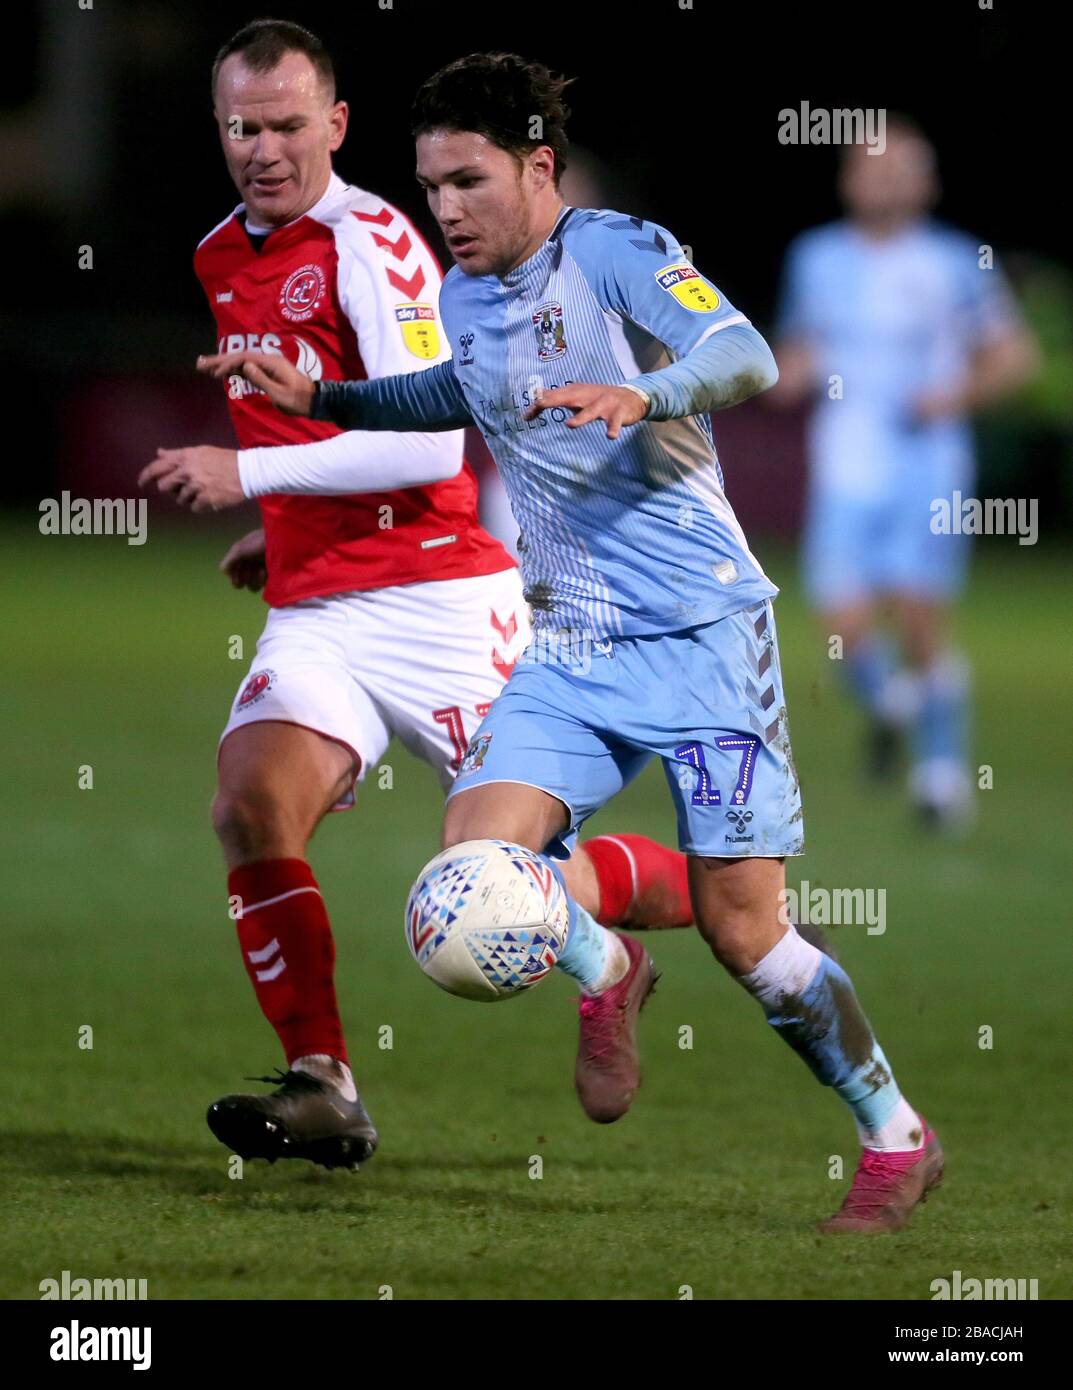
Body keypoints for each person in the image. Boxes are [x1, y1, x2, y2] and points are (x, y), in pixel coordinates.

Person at [202, 52, 944, 1233]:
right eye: (429, 185)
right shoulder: (465, 292)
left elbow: (743, 353)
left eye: (466, 182)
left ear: (535, 168)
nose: (443, 210)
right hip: (569, 647)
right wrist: (319, 400)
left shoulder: (612, 251)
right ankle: (607, 967)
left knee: (746, 932)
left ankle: (894, 1133)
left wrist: (642, 396)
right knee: (471, 865)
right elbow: (454, 394)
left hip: (703, 640)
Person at [139, 21, 695, 1174]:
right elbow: (313, 428)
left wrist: (250, 474)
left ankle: (710, 915)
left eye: (289, 124)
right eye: (243, 127)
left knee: (531, 874)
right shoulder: (216, 255)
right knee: (250, 803)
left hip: (441, 598)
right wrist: (281, 525)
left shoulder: (372, 237)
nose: (265, 149)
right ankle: (324, 1082)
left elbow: (428, 439)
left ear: (334, 125)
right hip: (320, 608)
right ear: (219, 129)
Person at [770, 119, 1038, 826]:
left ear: (926, 182)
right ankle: (890, 701)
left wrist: (953, 395)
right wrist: (778, 375)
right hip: (844, 461)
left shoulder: (955, 260)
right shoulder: (815, 256)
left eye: (899, 169)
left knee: (920, 614)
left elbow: (1014, 357)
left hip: (927, 463)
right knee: (841, 619)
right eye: (869, 167)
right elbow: (799, 347)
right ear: (847, 178)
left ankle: (941, 777)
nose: (882, 180)